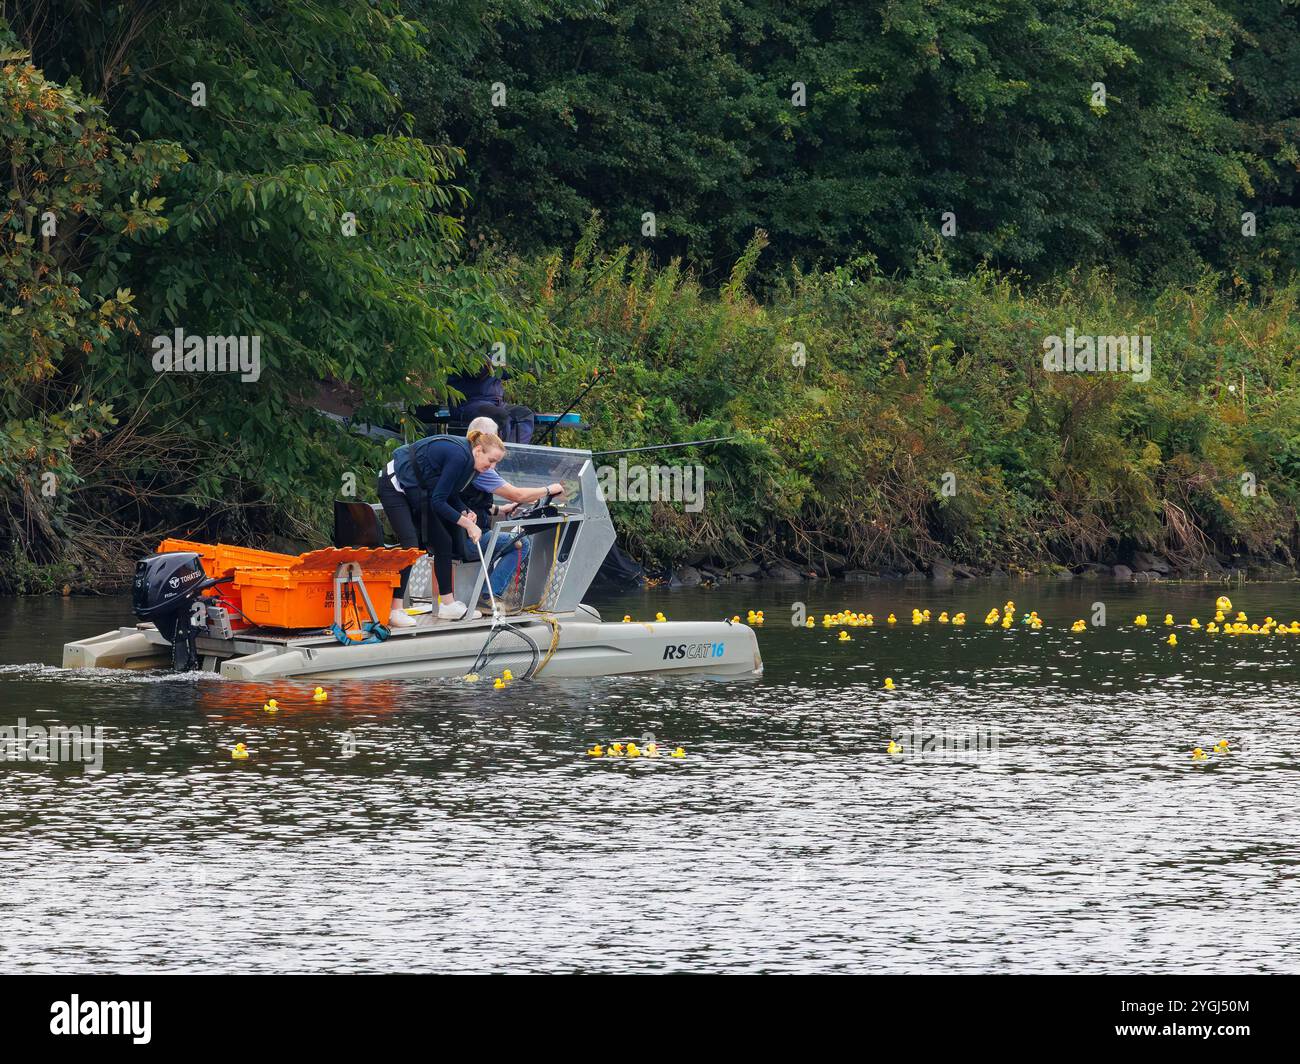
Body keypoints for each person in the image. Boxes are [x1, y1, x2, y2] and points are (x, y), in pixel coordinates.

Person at [376, 428, 505, 625]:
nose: (493, 466)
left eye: (496, 463)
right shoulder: (459, 457)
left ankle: (447, 604)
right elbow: (438, 501)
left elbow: (448, 492)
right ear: (478, 450)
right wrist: (469, 525)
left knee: (444, 541)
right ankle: (395, 609)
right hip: (395, 485)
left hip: (420, 489)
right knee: (410, 544)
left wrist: (463, 510)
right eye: (491, 460)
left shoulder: (472, 465)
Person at [460, 416, 565, 602]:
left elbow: (471, 502)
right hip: (468, 539)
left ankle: (486, 593)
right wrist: (549, 489)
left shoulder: (464, 459)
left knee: (500, 539)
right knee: (521, 544)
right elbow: (517, 495)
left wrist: (500, 510)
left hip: (457, 534)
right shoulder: (481, 469)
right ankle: (490, 596)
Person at [448, 362, 535, 444]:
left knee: (524, 414)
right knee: (500, 416)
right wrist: (494, 360)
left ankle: (513, 452)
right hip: (470, 402)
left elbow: (505, 374)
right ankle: (498, 453)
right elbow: (476, 372)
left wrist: (522, 363)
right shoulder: (468, 349)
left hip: (496, 402)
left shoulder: (497, 349)